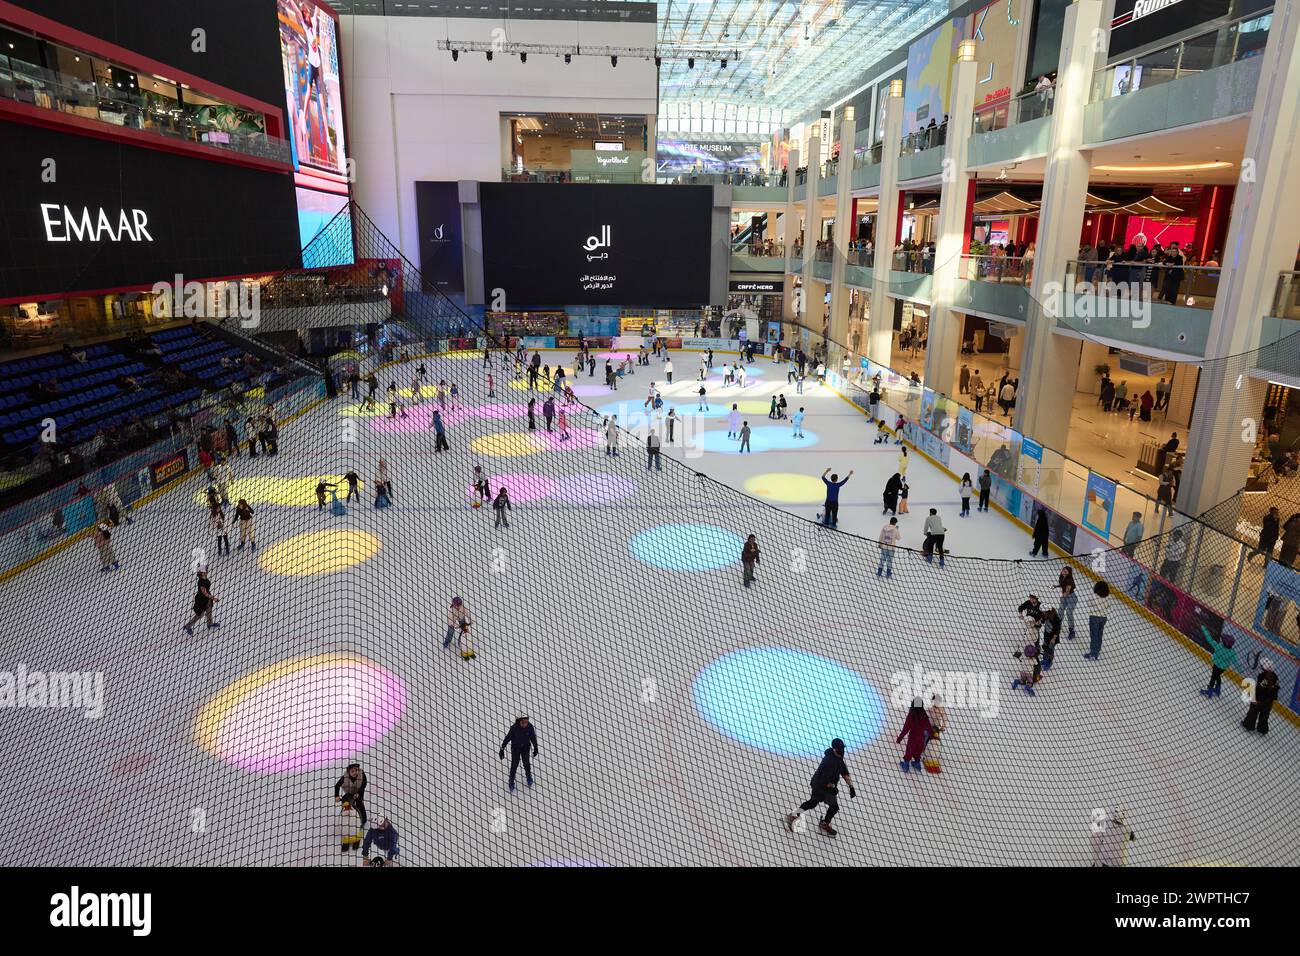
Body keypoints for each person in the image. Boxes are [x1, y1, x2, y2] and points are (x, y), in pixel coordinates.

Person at [784, 738, 856, 837]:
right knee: (812, 803)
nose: (841, 751)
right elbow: (823, 779)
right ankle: (794, 815)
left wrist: (851, 786)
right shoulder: (828, 761)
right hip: (819, 785)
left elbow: (845, 774)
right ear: (834, 749)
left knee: (834, 807)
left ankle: (825, 823)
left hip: (829, 787)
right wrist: (831, 786)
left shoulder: (839, 759)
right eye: (839, 749)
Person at [499, 716, 539, 791]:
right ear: (519, 721)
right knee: (514, 764)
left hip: (525, 747)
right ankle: (511, 780)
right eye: (523, 722)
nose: (525, 724)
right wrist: (502, 748)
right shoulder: (514, 728)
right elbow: (507, 738)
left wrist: (535, 747)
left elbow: (533, 737)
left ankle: (528, 776)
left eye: (527, 722)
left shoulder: (529, 727)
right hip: (516, 748)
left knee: (526, 763)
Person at [1242, 659, 1280, 734]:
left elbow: (1259, 689)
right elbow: (1276, 688)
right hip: (1269, 701)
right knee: (1264, 715)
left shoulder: (1262, 676)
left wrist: (1255, 698)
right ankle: (1262, 729)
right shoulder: (1275, 677)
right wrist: (1272, 698)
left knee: (1253, 711)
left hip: (1260, 699)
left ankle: (1248, 725)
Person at [895, 698, 932, 773]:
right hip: (921, 737)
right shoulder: (924, 714)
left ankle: (906, 765)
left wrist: (900, 738)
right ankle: (917, 763)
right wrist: (931, 734)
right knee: (918, 750)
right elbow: (928, 726)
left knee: (910, 750)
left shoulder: (911, 715)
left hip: (913, 737)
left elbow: (906, 728)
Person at [1199, 627, 1236, 698]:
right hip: (1223, 668)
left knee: (1213, 677)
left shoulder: (1219, 647)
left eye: (1223, 641)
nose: (1221, 641)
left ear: (1224, 643)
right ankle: (1217, 689)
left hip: (1216, 665)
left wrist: (1204, 629)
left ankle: (1209, 691)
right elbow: (1235, 662)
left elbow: (1209, 639)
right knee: (1217, 676)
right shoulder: (1232, 652)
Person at [183, 568, 219, 634]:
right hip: (201, 599)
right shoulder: (201, 582)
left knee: (209, 611)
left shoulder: (205, 578)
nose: (207, 572)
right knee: (200, 614)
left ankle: (210, 624)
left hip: (207, 598)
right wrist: (213, 598)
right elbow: (204, 593)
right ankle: (187, 626)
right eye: (205, 571)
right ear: (201, 573)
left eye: (206, 571)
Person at [1083, 581, 1110, 660]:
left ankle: (1093, 654)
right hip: (1103, 618)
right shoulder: (1108, 596)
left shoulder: (1093, 596)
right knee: (1099, 635)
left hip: (1094, 617)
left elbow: (1088, 603)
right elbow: (1108, 606)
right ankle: (1097, 651)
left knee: (1094, 636)